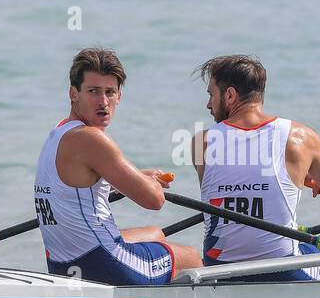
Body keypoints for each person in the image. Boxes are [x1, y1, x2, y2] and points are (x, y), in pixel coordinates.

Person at [33, 48, 202, 285]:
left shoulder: (59, 132)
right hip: (102, 265)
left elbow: (82, 183)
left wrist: (135, 177)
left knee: (156, 234)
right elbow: (154, 200)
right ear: (73, 93)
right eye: (93, 91)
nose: (103, 102)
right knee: (190, 256)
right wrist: (148, 183)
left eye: (110, 92)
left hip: (63, 265)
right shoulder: (91, 138)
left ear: (119, 96)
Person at [192, 54, 320, 281]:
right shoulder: (300, 137)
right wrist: (309, 174)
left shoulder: (201, 142)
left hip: (219, 268)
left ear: (229, 95)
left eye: (211, 95)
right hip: (282, 267)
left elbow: (237, 186)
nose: (208, 104)